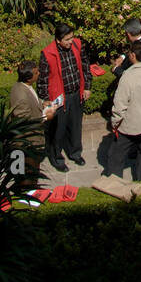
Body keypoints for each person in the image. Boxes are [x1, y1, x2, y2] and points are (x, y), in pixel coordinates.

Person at [37, 22, 92, 172]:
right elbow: (42, 80)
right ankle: (57, 157)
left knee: (75, 127)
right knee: (58, 130)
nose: (70, 42)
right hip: (58, 98)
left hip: (75, 94)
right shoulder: (47, 53)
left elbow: (85, 66)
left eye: (72, 38)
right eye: (67, 39)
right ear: (58, 40)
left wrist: (87, 86)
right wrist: (46, 100)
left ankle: (75, 153)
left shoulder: (77, 45)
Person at [108, 39, 141, 183]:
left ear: (132, 55)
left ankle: (114, 185)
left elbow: (119, 106)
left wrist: (115, 124)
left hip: (128, 126)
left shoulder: (127, 77)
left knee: (116, 157)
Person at [9, 59, 57, 184]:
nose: (39, 73)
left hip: (30, 141)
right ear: (28, 78)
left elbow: (32, 102)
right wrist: (46, 117)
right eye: (36, 73)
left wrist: (42, 104)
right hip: (27, 143)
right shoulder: (21, 95)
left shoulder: (24, 86)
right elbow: (24, 120)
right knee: (28, 174)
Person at [111, 18, 141, 83]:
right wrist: (122, 57)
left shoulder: (140, 49)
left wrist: (116, 69)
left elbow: (133, 76)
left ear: (128, 35)